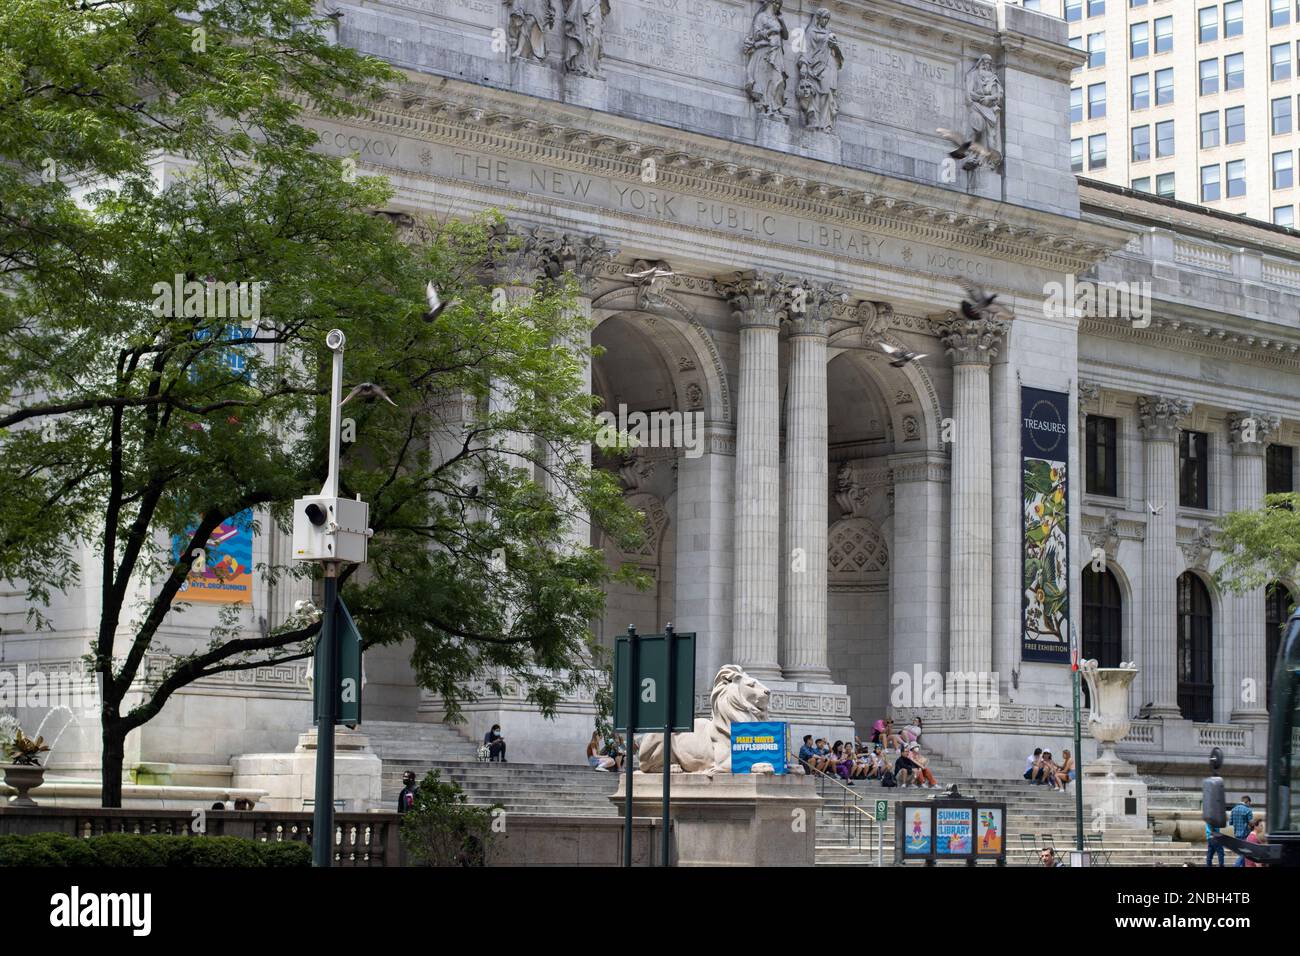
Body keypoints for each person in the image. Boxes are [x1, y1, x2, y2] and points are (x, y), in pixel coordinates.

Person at [1230, 795, 1253, 866]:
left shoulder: (1233, 810)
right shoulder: (1248, 810)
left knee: (1242, 854)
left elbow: (1231, 822)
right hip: (1245, 835)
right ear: (1247, 801)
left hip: (1236, 835)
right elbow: (1251, 824)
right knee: (1244, 854)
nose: (1249, 805)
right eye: (1249, 803)